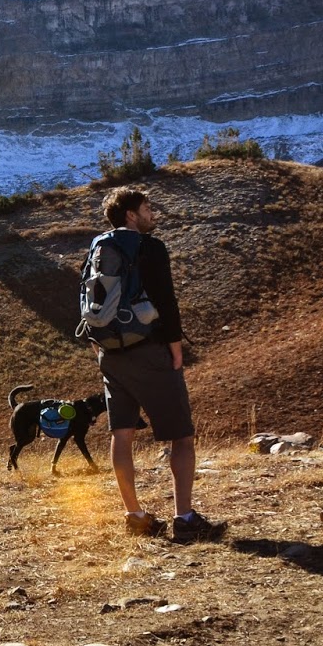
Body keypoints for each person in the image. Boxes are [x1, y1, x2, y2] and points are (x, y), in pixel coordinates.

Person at [91, 186, 225, 542]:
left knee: (122, 433)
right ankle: (185, 518)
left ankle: (135, 515)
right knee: (182, 436)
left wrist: (100, 347)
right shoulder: (149, 247)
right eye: (147, 208)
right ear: (131, 215)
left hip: (110, 354)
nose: (153, 214)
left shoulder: (99, 247)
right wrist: (176, 347)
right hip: (148, 350)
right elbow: (165, 298)